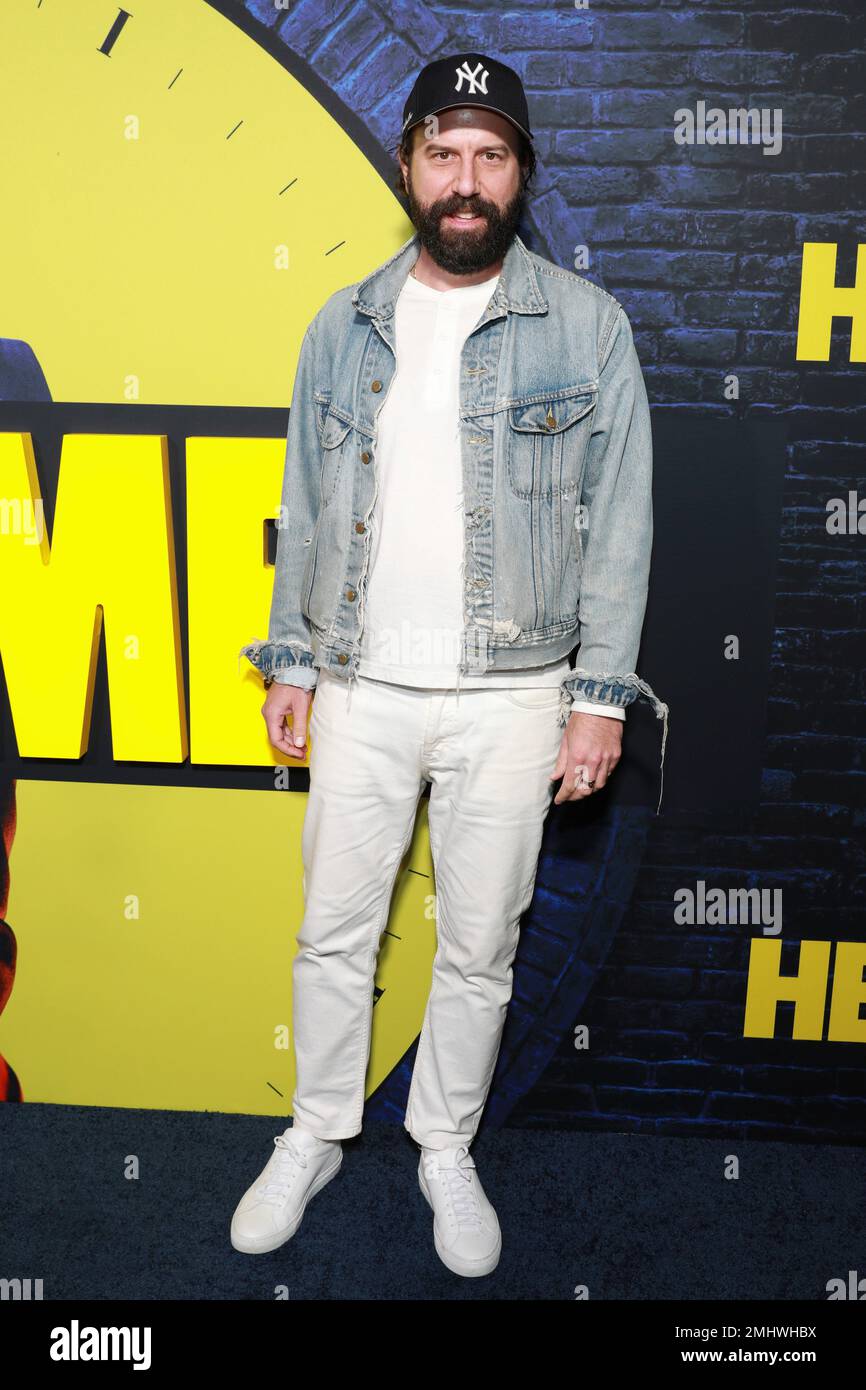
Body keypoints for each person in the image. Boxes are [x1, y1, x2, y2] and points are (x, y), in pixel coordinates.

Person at [231, 51, 668, 1278]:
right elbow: (310, 507)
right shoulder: (346, 321)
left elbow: (619, 526)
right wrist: (295, 663)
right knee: (333, 931)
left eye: (489, 156)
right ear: (408, 165)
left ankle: (443, 1146)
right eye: (442, 154)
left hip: (514, 693)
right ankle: (315, 1127)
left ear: (520, 177)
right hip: (364, 684)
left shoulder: (586, 328)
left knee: (481, 943)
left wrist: (595, 700)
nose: (463, 180)